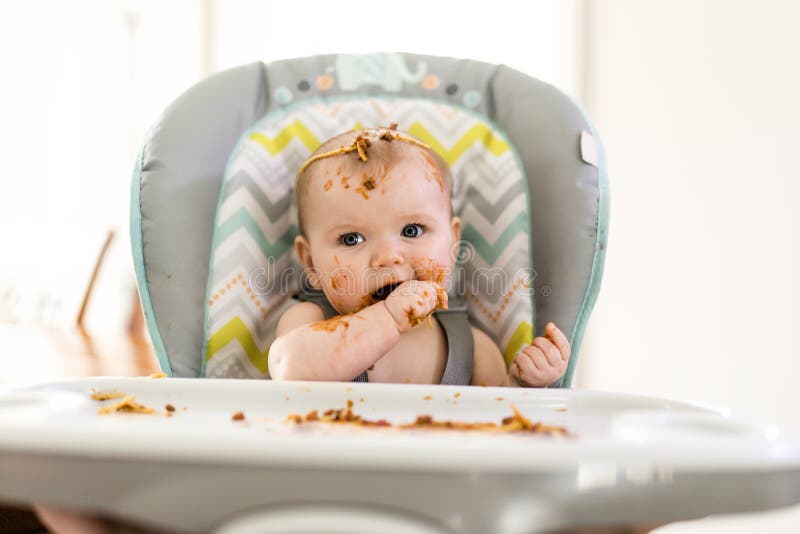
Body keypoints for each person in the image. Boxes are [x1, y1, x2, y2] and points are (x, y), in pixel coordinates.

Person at [268, 125, 571, 387]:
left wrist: (522, 385)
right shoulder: (312, 321)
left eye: (412, 230)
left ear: (453, 241)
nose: (388, 257)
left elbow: (496, 428)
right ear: (310, 263)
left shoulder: (472, 349)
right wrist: (387, 319)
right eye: (352, 239)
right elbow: (290, 367)